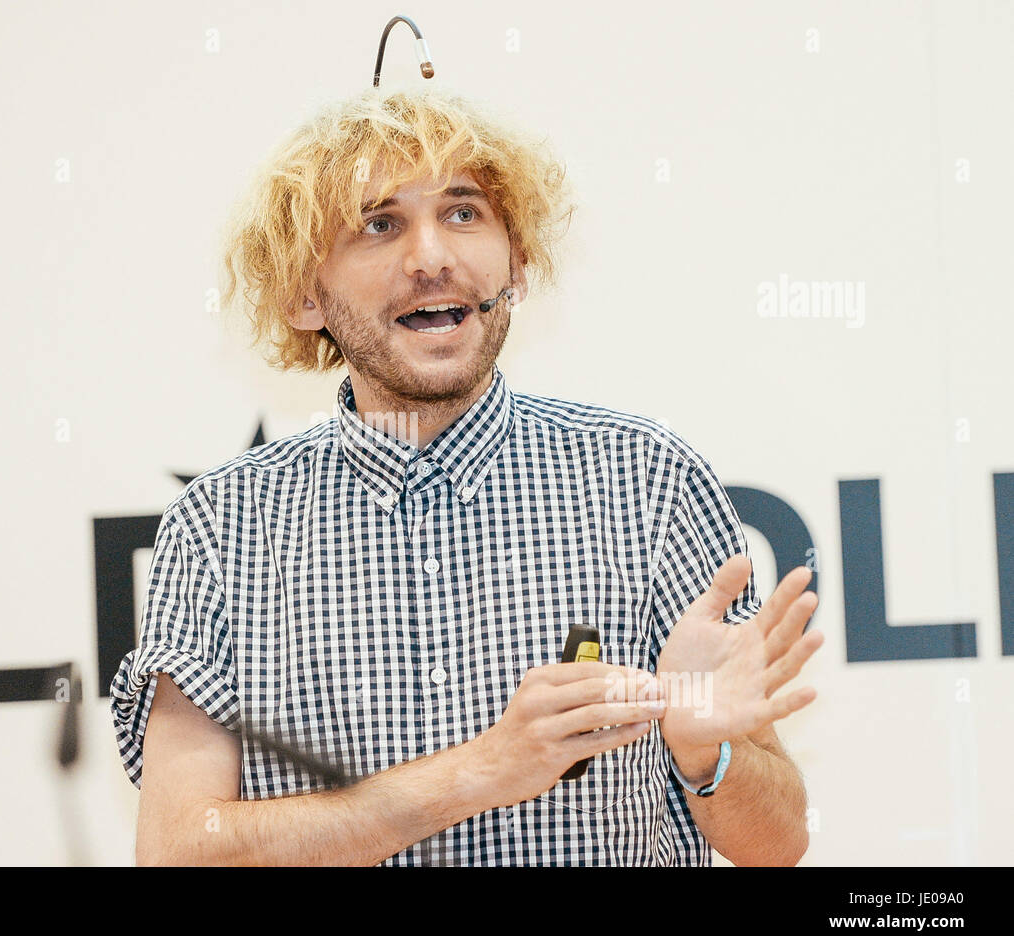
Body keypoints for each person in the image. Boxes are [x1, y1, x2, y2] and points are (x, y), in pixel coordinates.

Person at [110, 87, 824, 866]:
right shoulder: (222, 527)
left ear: (515, 263)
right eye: (379, 224)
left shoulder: (649, 480)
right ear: (305, 295)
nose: (431, 258)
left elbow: (779, 842)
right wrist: (481, 770)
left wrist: (703, 754)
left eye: (463, 213)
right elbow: (181, 852)